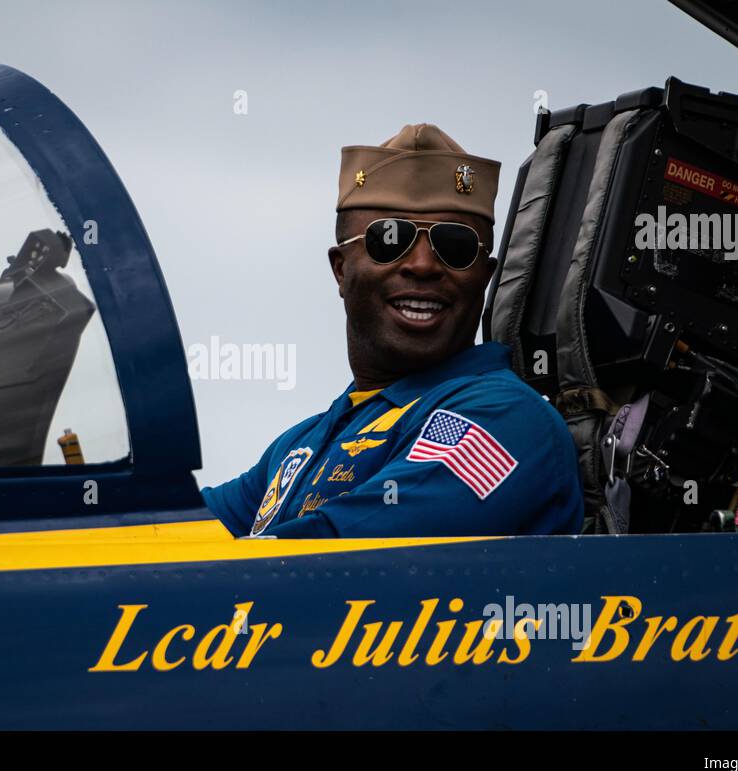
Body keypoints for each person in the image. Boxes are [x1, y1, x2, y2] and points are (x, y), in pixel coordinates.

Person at [203, 123, 583, 538]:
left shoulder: (506, 420)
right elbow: (165, 531)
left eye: (453, 247)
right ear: (341, 269)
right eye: (390, 240)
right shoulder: (299, 445)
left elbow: (340, 556)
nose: (423, 265)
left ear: (484, 276)